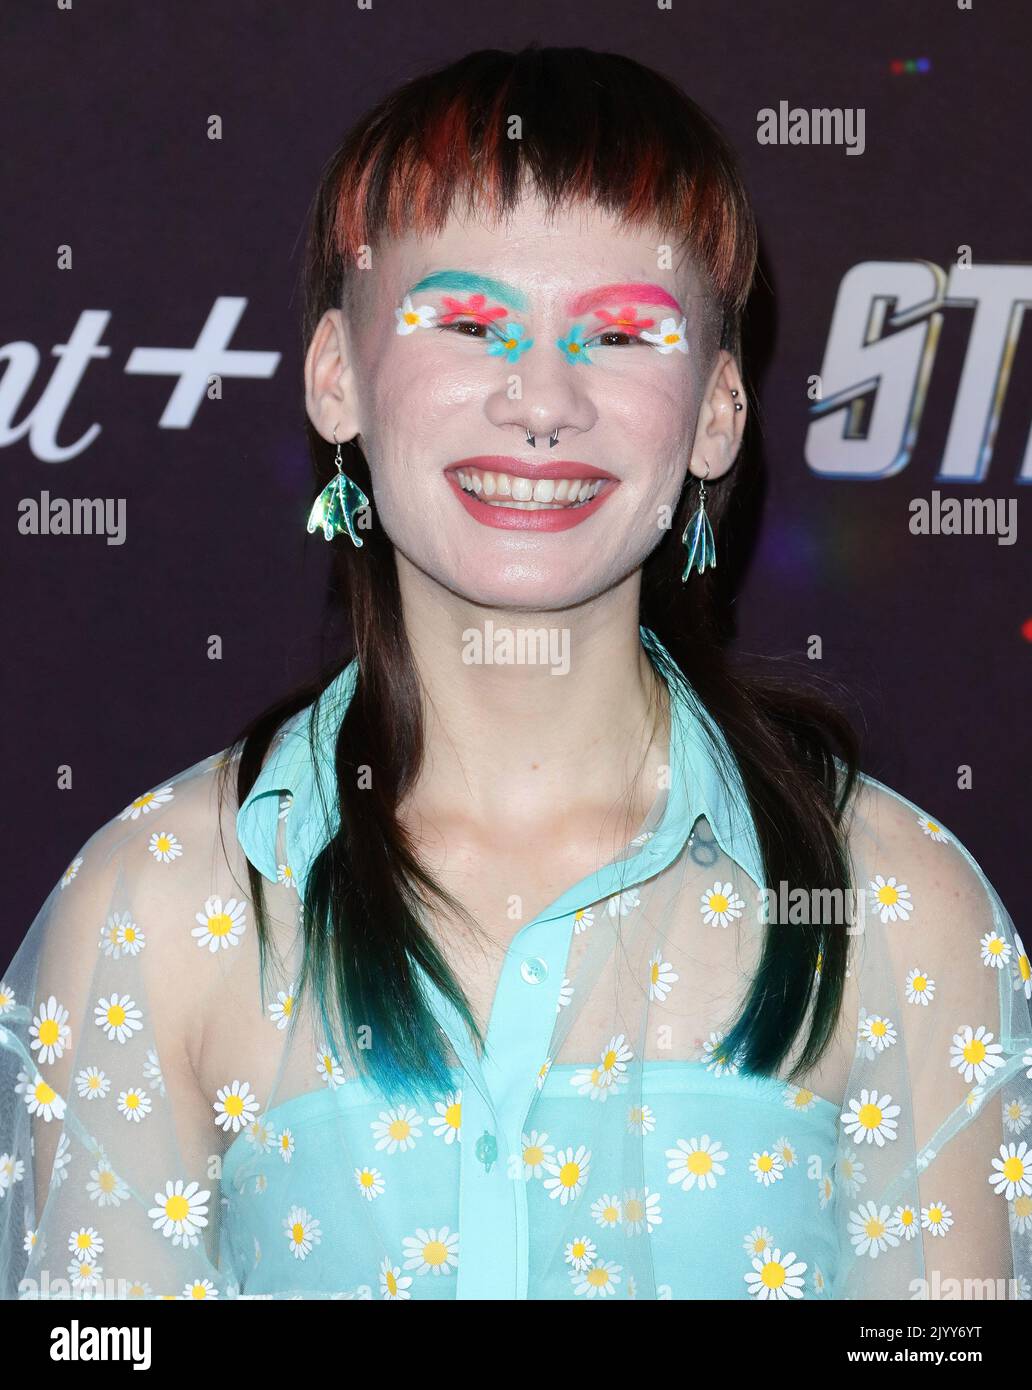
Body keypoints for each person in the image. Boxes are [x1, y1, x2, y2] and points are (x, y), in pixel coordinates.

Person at [2, 44, 1030, 1303]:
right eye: (470, 320)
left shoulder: (897, 907)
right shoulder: (156, 908)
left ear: (716, 412)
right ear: (338, 377)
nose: (542, 398)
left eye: (621, 331)